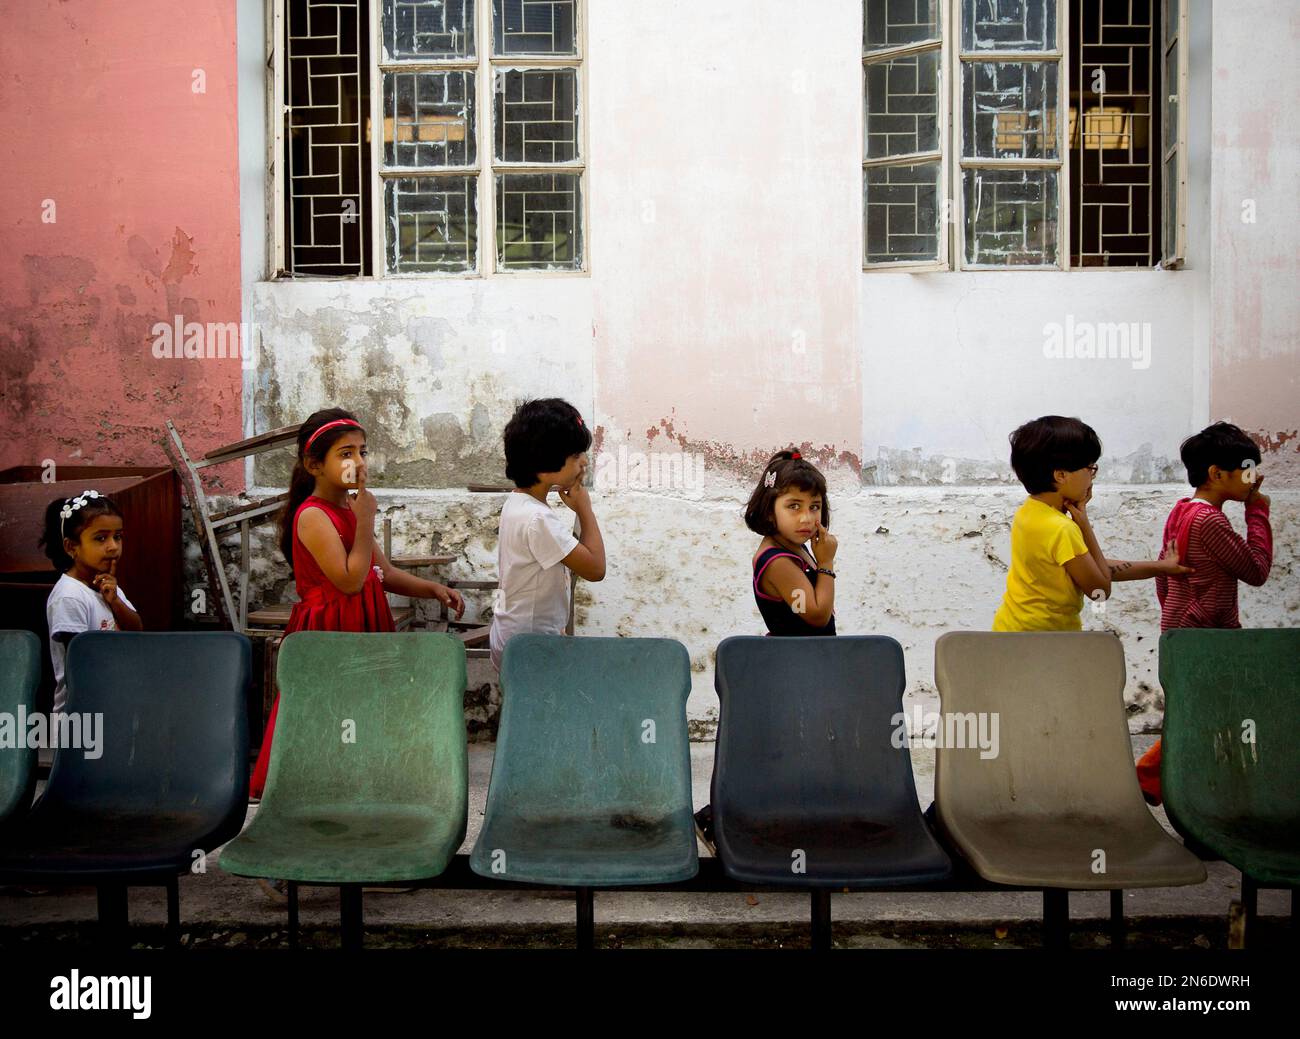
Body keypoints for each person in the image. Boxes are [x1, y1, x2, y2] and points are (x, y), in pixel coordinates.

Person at [249, 408, 465, 802]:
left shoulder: (348, 510)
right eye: (346, 454)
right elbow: (349, 581)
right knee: (328, 709)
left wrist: (432, 589)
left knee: (363, 706)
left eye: (362, 451)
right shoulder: (313, 516)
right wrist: (365, 519)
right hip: (330, 631)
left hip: (362, 624)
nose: (359, 462)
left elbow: (382, 573)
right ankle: (313, 787)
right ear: (314, 465)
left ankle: (359, 784)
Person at [695, 449, 837, 854]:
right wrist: (827, 565)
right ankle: (717, 821)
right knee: (776, 755)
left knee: (788, 753)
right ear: (769, 509)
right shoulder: (776, 560)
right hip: (789, 670)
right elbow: (814, 613)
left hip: (802, 667)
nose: (807, 517)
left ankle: (776, 823)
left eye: (814, 506)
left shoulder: (795, 548)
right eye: (794, 506)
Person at [1137, 422, 1273, 805]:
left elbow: (1164, 577)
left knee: (1202, 714)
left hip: (1183, 630)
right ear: (1217, 473)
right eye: (1246, 471)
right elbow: (1256, 570)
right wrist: (1257, 513)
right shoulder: (1209, 520)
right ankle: (1151, 778)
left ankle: (1165, 783)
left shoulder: (1182, 511)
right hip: (1206, 636)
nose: (1253, 480)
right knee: (1209, 717)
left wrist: (1176, 617)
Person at [992, 415, 1190, 632]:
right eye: (1089, 468)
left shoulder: (1030, 511)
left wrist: (1162, 567)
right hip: (1043, 641)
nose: (1092, 477)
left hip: (1011, 630)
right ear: (1061, 475)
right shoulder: (1062, 528)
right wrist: (1083, 524)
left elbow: (1091, 567)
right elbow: (1100, 590)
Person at [488, 398, 605, 672]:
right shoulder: (538, 519)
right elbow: (596, 568)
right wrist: (584, 509)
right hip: (529, 650)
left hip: (515, 638)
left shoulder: (518, 503)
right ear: (544, 464)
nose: (584, 462)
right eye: (575, 456)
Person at [38, 489, 142, 712]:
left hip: (111, 704)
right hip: (81, 716)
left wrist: (115, 602)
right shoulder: (69, 596)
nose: (113, 546)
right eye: (100, 538)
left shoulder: (107, 585)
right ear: (71, 547)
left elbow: (137, 631)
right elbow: (82, 663)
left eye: (117, 536)